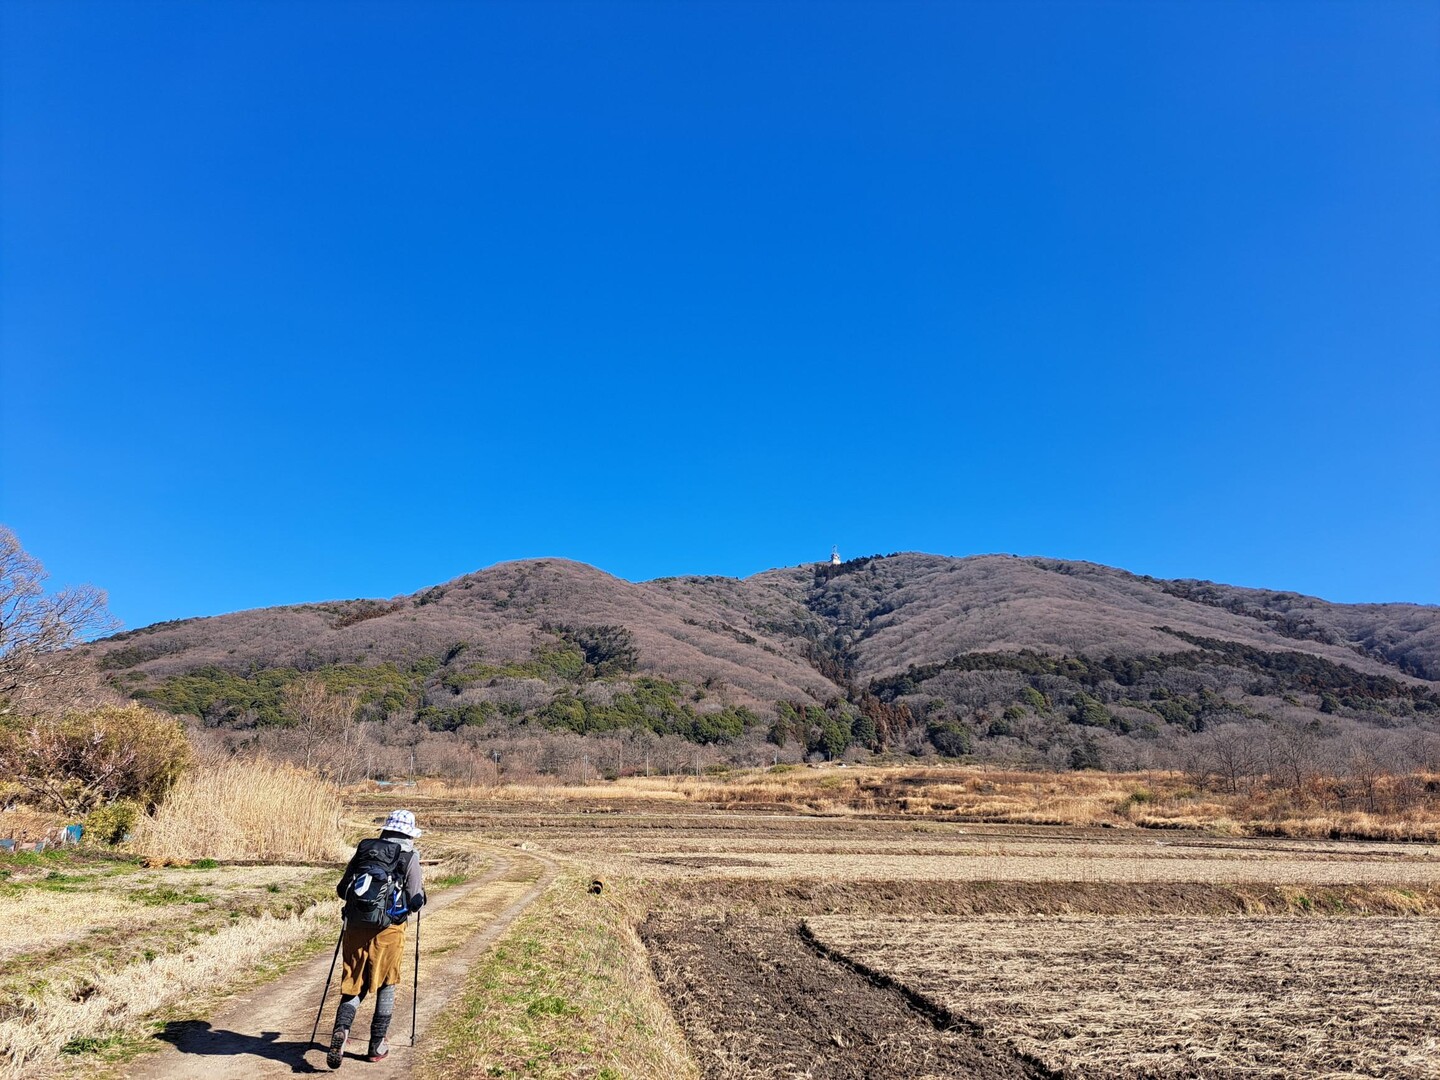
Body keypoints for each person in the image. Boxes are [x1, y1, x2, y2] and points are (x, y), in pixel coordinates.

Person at [327, 809, 426, 1069]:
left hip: (355, 927)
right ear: (408, 833)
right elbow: (415, 900)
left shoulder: (365, 851)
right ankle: (376, 1045)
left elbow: (341, 890)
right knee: (386, 983)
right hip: (390, 931)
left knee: (353, 982)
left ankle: (342, 1031)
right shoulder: (410, 855)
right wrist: (417, 900)